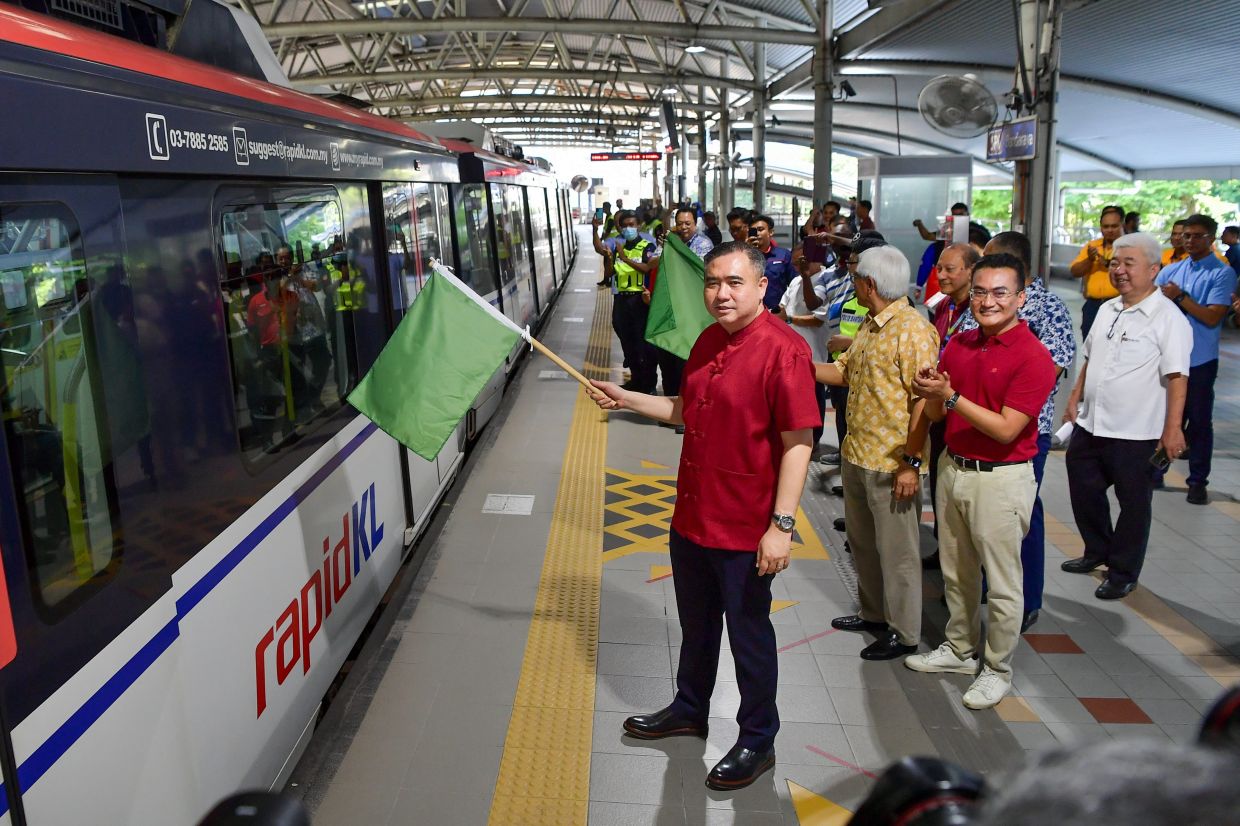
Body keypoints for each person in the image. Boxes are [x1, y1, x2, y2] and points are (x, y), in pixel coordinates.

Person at [590, 241, 818, 792]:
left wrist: (781, 526)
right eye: (713, 282)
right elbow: (684, 411)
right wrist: (626, 398)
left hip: (745, 526)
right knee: (696, 626)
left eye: (734, 282)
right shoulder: (709, 340)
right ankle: (690, 709)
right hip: (693, 515)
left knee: (748, 634)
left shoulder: (784, 351)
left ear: (761, 286)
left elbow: (799, 443)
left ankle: (758, 738)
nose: (721, 293)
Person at [905, 253, 1056, 710]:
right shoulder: (960, 343)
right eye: (980, 292)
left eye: (1000, 293)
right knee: (957, 571)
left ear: (1021, 297)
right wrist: (931, 391)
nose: (988, 302)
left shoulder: (1034, 357)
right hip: (954, 468)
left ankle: (997, 669)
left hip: (1001, 478)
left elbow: (1007, 429)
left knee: (1003, 583)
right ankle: (960, 649)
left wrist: (950, 396)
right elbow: (937, 413)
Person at [813, 246, 938, 660]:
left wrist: (911, 463)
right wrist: (797, 363)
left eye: (855, 278)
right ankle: (874, 614)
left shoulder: (914, 331)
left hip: (891, 463)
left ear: (869, 284)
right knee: (863, 544)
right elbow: (844, 372)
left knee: (898, 554)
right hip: (857, 454)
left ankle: (905, 633)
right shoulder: (871, 324)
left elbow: (923, 403)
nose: (852, 283)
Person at [1060, 232, 1191, 600]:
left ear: (1153, 269)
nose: (1119, 270)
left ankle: (1123, 571)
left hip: (1137, 432)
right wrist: (1075, 397)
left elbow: (1178, 377)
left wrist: (1173, 429)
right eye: (1115, 263)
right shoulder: (1108, 309)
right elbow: (1091, 357)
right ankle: (1097, 549)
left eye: (1128, 263)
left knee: (1133, 504)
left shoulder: (1168, 318)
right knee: (1084, 487)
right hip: (1092, 423)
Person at [971, 230, 1076, 632]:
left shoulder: (1049, 310)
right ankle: (984, 584)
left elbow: (1047, 372)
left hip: (1024, 433)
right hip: (975, 426)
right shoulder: (982, 304)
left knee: (1021, 515)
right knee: (980, 517)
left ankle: (1028, 599)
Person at [1154, 214, 1237, 504]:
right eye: (1185, 235)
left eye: (1196, 236)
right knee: (1165, 417)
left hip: (1199, 359)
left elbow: (1212, 317)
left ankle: (1197, 481)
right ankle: (1156, 472)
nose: (1189, 240)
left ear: (1211, 239)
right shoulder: (1171, 269)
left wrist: (1180, 298)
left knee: (1199, 422)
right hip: (1168, 357)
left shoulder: (1222, 273)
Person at [922, 243, 979, 571]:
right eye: (939, 269)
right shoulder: (943, 306)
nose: (941, 275)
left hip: (966, 409)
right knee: (939, 482)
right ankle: (943, 549)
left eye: (950, 269)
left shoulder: (981, 311)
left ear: (971, 272)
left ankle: (967, 566)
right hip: (940, 405)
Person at [592, 209, 657, 392]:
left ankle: (649, 385)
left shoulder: (647, 246)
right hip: (621, 300)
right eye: (625, 226)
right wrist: (610, 259)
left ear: (639, 226)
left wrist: (625, 258)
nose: (628, 228)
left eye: (631, 225)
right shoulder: (619, 247)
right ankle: (636, 380)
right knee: (628, 343)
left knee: (644, 344)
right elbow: (609, 273)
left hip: (640, 300)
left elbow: (647, 268)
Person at [778, 245, 830, 449]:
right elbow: (783, 306)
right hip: (791, 349)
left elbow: (817, 318)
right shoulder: (795, 281)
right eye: (794, 263)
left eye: (800, 262)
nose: (796, 267)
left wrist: (790, 319)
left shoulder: (824, 279)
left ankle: (814, 439)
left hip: (813, 351)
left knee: (814, 397)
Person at [1069, 205, 1124, 337]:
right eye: (1106, 226)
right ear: (1100, 227)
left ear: (1122, 225)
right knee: (1089, 342)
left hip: (1120, 305)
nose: (1110, 230)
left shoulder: (1130, 246)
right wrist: (1089, 259)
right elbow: (1075, 272)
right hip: (1093, 306)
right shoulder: (1092, 246)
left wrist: (1108, 264)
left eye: (1114, 226)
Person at [747, 213, 793, 312]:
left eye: (760, 229)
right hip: (751, 310)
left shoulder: (783, 255)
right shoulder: (745, 255)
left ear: (771, 232)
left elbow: (794, 283)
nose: (757, 234)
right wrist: (748, 252)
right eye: (754, 231)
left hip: (777, 311)